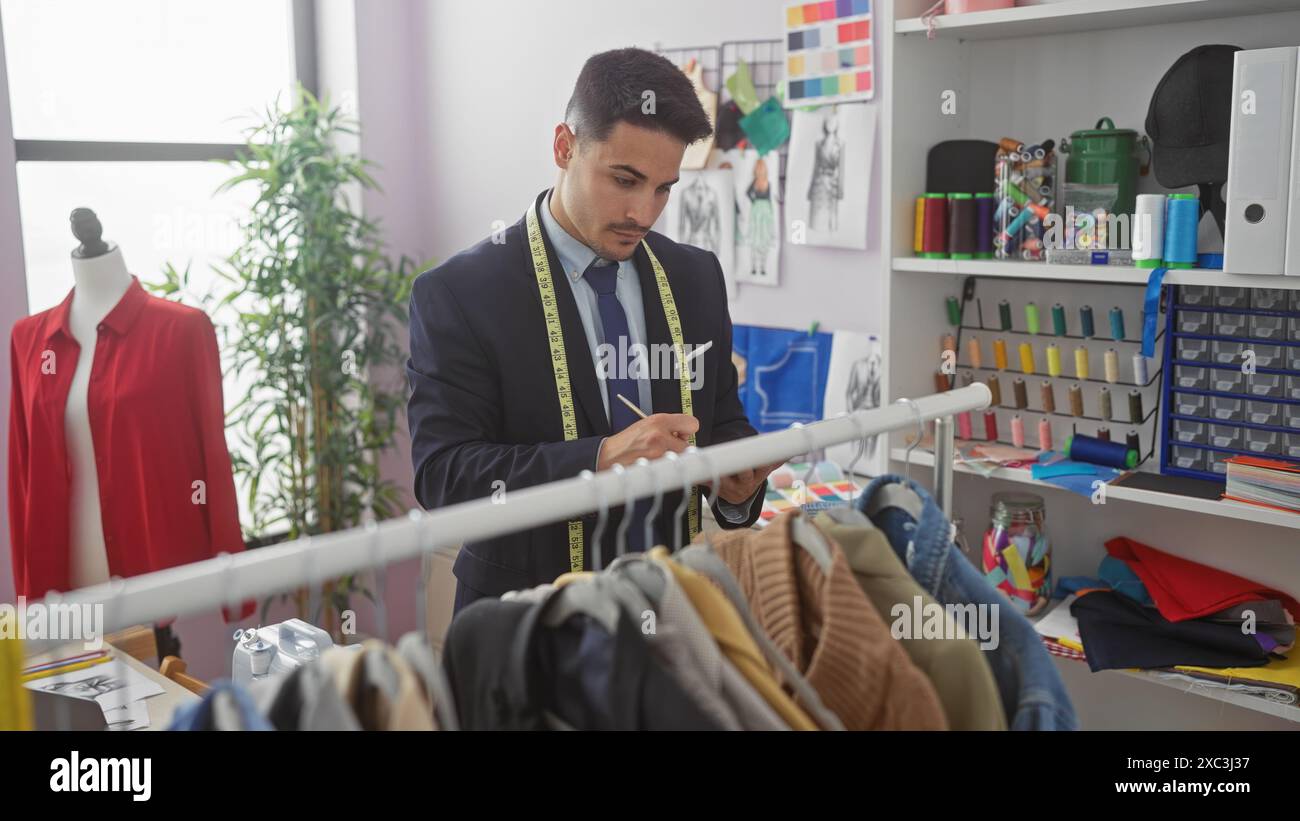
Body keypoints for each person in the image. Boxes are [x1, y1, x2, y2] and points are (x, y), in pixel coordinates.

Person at [407, 48, 780, 612]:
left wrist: (736, 487)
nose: (643, 213)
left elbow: (722, 424)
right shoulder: (461, 292)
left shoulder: (695, 277)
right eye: (624, 180)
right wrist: (599, 458)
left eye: (662, 188)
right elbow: (443, 475)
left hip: (667, 613)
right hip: (521, 626)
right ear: (564, 146)